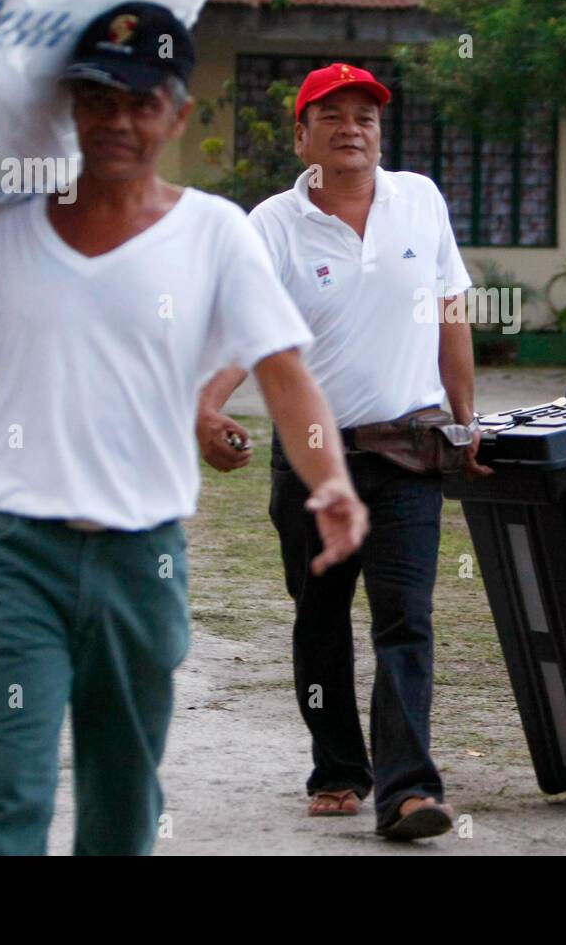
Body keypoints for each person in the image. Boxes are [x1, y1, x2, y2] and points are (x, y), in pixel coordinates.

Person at [0, 3, 369, 854]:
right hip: (17, 559)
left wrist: (332, 484)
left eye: (142, 101)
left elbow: (286, 374)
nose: (119, 120)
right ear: (70, 108)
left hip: (143, 559)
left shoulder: (212, 233)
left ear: (176, 114)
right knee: (12, 794)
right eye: (99, 99)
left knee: (122, 801)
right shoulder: (5, 235)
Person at [198, 61, 490, 841]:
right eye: (332, 116)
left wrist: (467, 419)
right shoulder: (271, 225)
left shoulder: (420, 200)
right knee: (320, 617)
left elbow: (451, 312)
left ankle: (406, 790)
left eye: (366, 115)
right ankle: (337, 768)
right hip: (311, 458)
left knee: (405, 618)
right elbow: (246, 329)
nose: (352, 127)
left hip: (408, 450)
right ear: (302, 136)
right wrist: (208, 402)